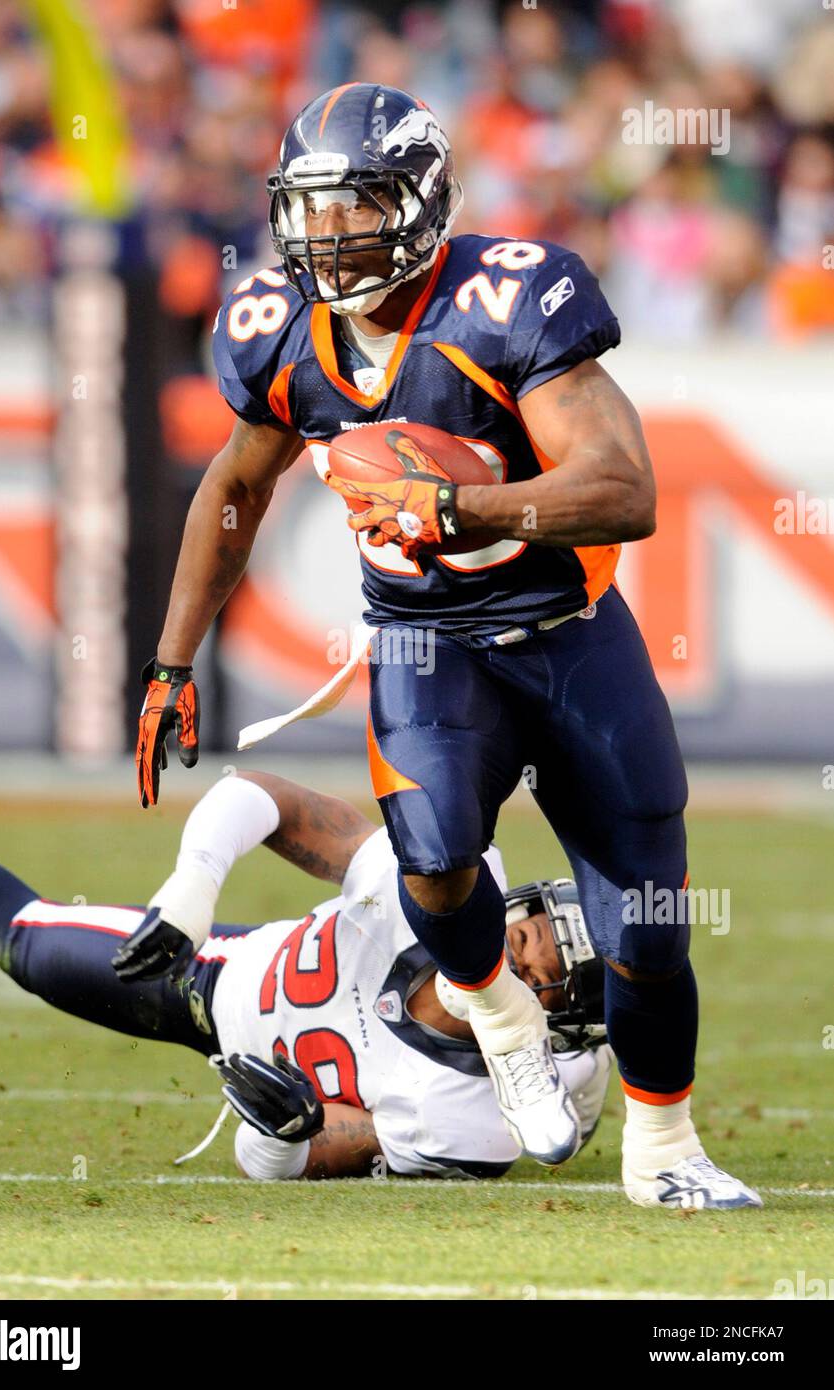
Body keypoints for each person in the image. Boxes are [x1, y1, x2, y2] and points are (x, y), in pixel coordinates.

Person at [135, 84, 759, 1208]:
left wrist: (464, 508)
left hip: (567, 635)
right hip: (425, 639)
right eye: (310, 211)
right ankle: (500, 1017)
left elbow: (624, 488)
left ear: (419, 201)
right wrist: (172, 657)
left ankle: (666, 1152)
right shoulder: (277, 325)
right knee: (428, 857)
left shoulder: (505, 299)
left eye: (356, 205)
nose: (331, 236)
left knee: (645, 928)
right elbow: (233, 485)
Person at [0, 769, 609, 1181]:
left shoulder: (467, 1125)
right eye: (519, 935)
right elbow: (261, 796)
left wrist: (280, 1132)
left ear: (553, 1022)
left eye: (534, 976)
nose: (507, 961)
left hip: (268, 1053)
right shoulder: (438, 884)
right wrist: (193, 884)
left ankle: (576, 1084)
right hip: (213, 974)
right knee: (25, 939)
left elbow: (282, 1161)